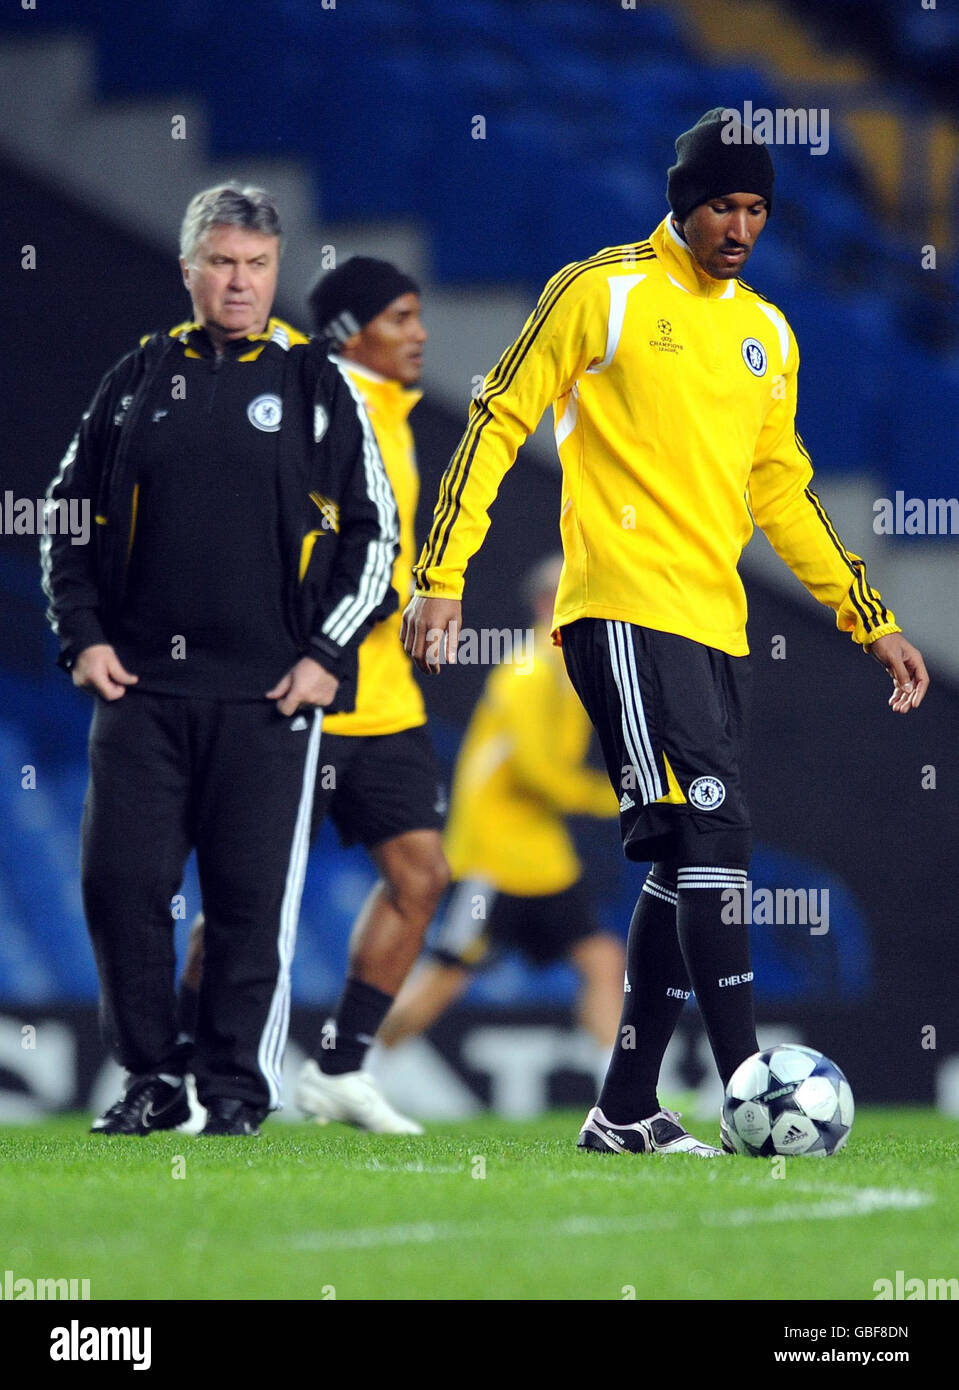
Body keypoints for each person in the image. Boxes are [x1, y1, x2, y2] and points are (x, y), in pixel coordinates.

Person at [401, 109, 928, 1157]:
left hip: (711, 626)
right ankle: (746, 1078)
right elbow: (499, 411)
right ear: (682, 202)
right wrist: (442, 572)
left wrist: (866, 617)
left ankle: (625, 1107)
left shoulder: (765, 332)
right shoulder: (600, 292)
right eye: (722, 204)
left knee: (682, 859)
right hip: (620, 608)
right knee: (715, 836)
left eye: (755, 209)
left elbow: (781, 492)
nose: (739, 225)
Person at [42, 186, 399, 1137]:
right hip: (142, 692)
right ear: (189, 268)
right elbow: (63, 517)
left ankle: (238, 1091)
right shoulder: (138, 376)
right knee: (120, 888)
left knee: (249, 906)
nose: (238, 282)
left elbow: (379, 537)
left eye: (256, 266)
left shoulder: (317, 382)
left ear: (275, 273)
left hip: (269, 697)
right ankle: (155, 1076)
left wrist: (327, 654)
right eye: (221, 263)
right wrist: (83, 634)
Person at [177, 257, 450, 1133]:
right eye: (400, 317)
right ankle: (181, 1072)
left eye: (416, 316)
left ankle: (338, 1067)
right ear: (348, 333)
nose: (417, 333)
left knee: (421, 876)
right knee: (242, 897)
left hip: (388, 701)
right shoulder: (307, 392)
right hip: (296, 688)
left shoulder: (399, 415)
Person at [380, 555, 624, 1054]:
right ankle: (347, 1064)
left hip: (540, 857)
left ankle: (616, 1090)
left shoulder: (564, 668)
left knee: (602, 961)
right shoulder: (530, 672)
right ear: (543, 604)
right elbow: (540, 775)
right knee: (447, 979)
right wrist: (621, 799)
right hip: (491, 858)